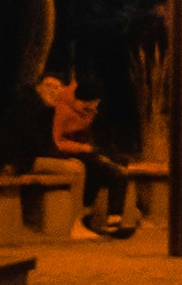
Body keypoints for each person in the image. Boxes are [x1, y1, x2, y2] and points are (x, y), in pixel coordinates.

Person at [37, 68, 133, 235]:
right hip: (68, 150)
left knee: (120, 166)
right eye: (86, 106)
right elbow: (56, 141)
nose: (89, 109)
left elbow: (94, 134)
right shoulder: (62, 109)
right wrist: (82, 148)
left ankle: (113, 219)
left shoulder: (91, 109)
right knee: (105, 168)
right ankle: (95, 218)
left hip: (84, 147)